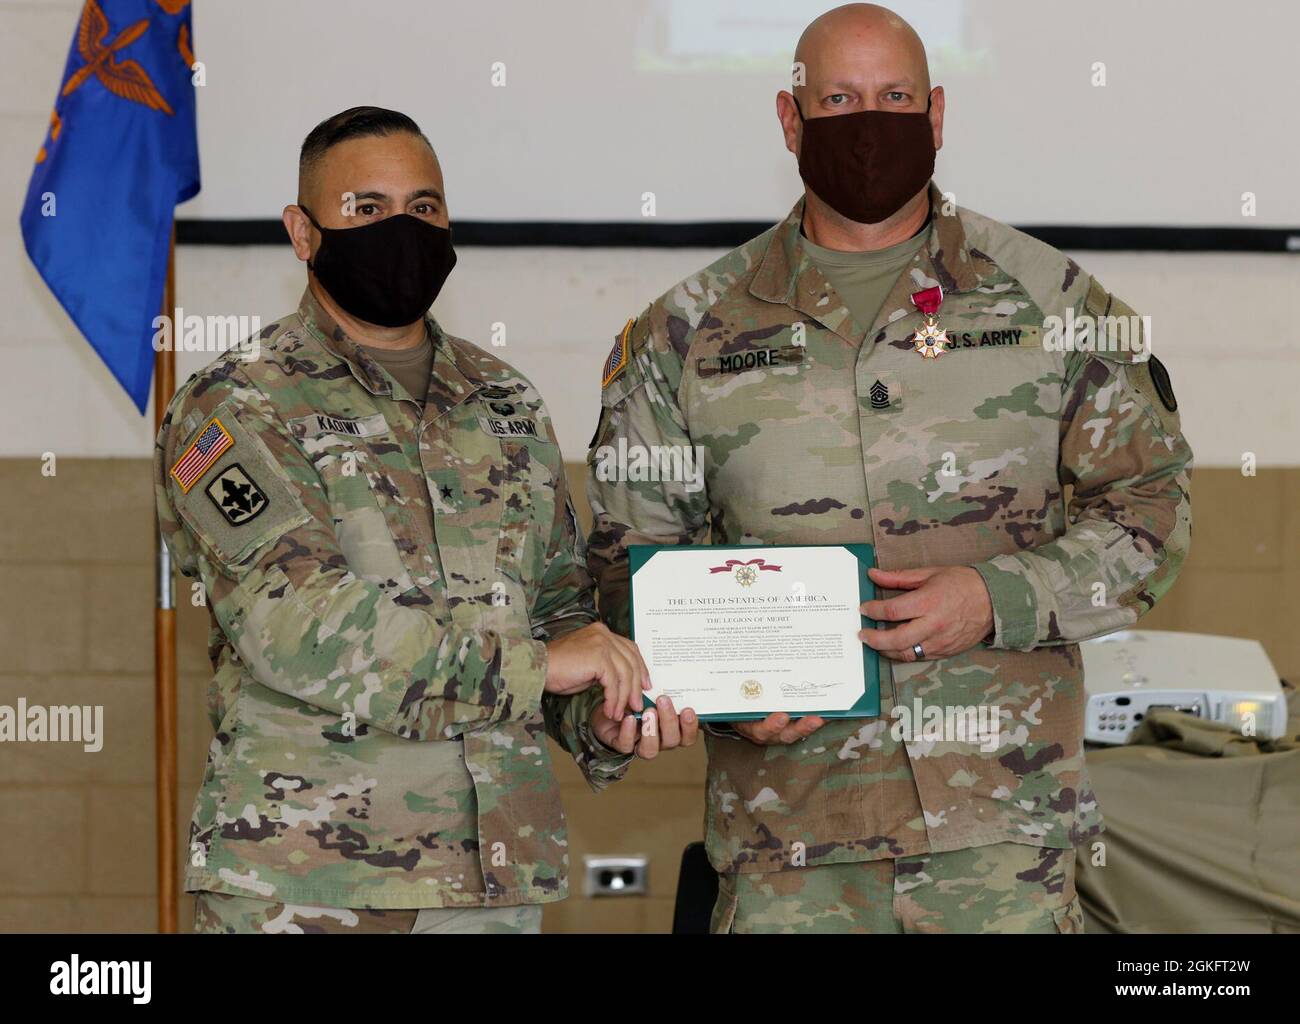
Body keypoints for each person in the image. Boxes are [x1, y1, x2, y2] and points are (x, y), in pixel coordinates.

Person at [585, 5, 1191, 933]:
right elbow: (627, 562)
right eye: (839, 98)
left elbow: (1152, 510)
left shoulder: (1052, 300)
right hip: (787, 842)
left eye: (894, 96)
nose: (869, 121)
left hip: (999, 843)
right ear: (792, 122)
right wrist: (715, 697)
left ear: (937, 115)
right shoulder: (684, 332)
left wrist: (999, 598)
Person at [155, 106, 696, 935]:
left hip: (494, 885)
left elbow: (557, 612)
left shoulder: (504, 399)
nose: (400, 230)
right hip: (309, 886)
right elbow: (297, 624)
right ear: (303, 232)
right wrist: (539, 667)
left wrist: (602, 715)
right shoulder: (235, 404)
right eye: (366, 210)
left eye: (424, 208)